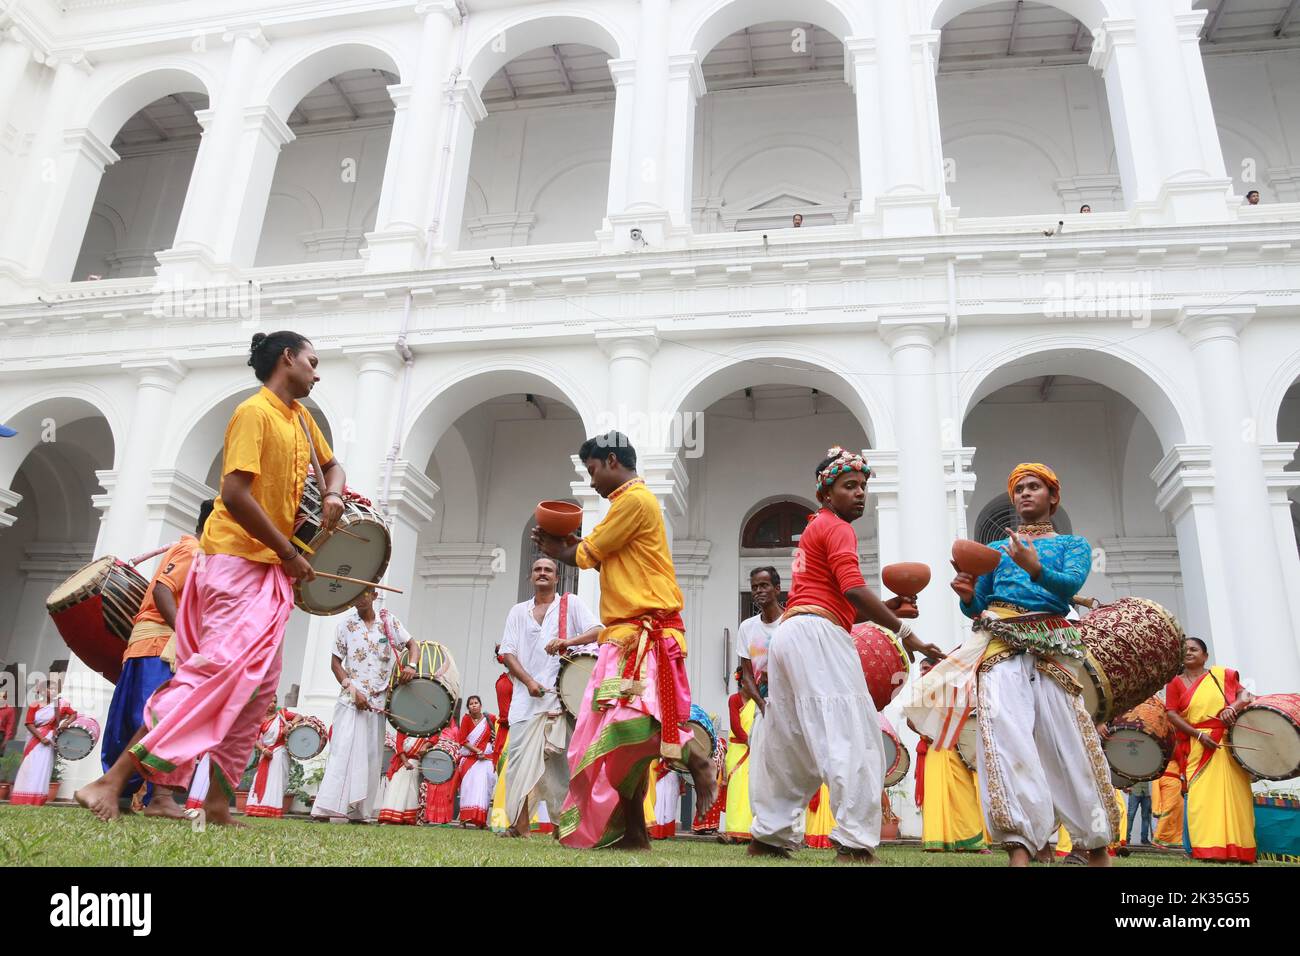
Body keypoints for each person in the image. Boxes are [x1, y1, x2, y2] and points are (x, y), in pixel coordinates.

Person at [76, 331, 345, 824]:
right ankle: (109, 781)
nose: (317, 371)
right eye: (312, 361)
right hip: (235, 564)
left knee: (260, 690)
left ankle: (218, 803)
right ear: (287, 359)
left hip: (269, 571)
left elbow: (334, 467)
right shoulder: (253, 413)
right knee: (210, 675)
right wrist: (287, 552)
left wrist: (333, 494)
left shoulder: (302, 419)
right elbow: (236, 493)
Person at [748, 447, 940, 863]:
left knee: (789, 738)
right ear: (826, 493)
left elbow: (836, 599)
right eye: (848, 486)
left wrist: (888, 606)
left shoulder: (815, 526)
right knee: (852, 734)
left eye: (864, 486)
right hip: (816, 634)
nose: (860, 493)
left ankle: (769, 834)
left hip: (792, 633)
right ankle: (854, 842)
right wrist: (907, 633)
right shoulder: (837, 527)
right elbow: (852, 588)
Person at [533, 431, 718, 850]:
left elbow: (587, 554)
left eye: (593, 470)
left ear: (613, 460)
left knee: (634, 722)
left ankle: (699, 760)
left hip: (643, 635)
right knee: (616, 743)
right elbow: (600, 557)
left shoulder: (634, 500)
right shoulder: (626, 504)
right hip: (625, 635)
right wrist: (557, 545)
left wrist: (556, 546)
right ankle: (633, 831)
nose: (592, 481)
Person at [937, 463, 1117, 867]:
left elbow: (1070, 587)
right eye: (1019, 489)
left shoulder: (1074, 544)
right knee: (1006, 743)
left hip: (1051, 644)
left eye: (1034, 487)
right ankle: (1020, 848)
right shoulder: (996, 552)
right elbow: (976, 607)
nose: (1025, 494)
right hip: (999, 642)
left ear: (1053, 497)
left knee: (1069, 743)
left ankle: (1096, 847)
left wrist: (1034, 566)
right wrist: (966, 595)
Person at [101, 500, 214, 818]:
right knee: (158, 717)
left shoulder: (191, 550)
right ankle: (159, 796)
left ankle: (123, 794)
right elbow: (164, 591)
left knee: (133, 719)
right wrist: (189, 637)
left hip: (145, 646)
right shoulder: (192, 550)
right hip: (162, 646)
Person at [498, 556, 601, 838]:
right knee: (518, 765)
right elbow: (508, 652)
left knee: (562, 768)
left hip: (560, 702)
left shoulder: (571, 605)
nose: (542, 573)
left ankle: (562, 827)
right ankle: (519, 826)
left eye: (548, 570)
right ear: (530, 577)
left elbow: (599, 632)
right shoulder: (518, 612)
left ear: (557, 578)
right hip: (525, 701)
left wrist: (568, 642)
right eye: (537, 569)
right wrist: (529, 682)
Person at [311, 589, 415, 823]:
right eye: (354, 594)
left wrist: (412, 666)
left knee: (371, 755)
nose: (358, 598)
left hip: (377, 702)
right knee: (342, 750)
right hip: (351, 700)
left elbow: (412, 644)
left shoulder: (389, 623)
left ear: (374, 595)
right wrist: (352, 689)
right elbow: (335, 663)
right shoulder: (345, 626)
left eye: (364, 594)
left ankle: (360, 812)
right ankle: (326, 808)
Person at [1164, 637, 1256, 863]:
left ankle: (1239, 850)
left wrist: (1232, 708)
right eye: (1184, 650)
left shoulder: (1220, 675)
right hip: (1199, 744)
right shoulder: (1174, 683)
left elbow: (1247, 696)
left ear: (1205, 656)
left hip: (1226, 744)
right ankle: (1208, 849)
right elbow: (1171, 714)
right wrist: (1199, 735)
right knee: (1201, 798)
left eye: (1194, 649)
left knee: (1235, 796)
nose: (1189, 652)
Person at [910, 660, 988, 853]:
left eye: (927, 668)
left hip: (955, 747)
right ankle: (936, 841)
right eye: (921, 669)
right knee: (937, 795)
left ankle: (970, 842)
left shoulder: (952, 688)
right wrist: (927, 733)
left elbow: (969, 713)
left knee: (965, 794)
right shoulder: (920, 691)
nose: (923, 672)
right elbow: (911, 720)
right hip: (934, 749)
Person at [11, 685, 76, 805]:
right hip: (35, 739)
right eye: (49, 688)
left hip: (50, 739)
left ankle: (37, 800)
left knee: (43, 768)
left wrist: (66, 722)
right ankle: (23, 798)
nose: (52, 691)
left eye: (54, 689)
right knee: (29, 767)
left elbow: (74, 714)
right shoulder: (35, 704)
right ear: (42, 690)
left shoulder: (61, 704)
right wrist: (41, 738)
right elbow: (29, 723)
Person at [244, 696, 299, 818]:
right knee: (260, 779)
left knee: (278, 780)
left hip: (281, 752)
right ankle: (257, 807)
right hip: (267, 753)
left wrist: (290, 724)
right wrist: (263, 750)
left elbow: (299, 716)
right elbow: (254, 738)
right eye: (270, 701)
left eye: (275, 702)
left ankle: (273, 809)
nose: (273, 704)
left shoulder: (281, 714)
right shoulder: (259, 719)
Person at [737, 566, 782, 712]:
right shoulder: (746, 627)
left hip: (791, 703)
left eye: (764, 585)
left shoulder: (791, 622)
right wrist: (762, 705)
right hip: (762, 705)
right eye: (754, 587)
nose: (758, 590)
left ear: (777, 589)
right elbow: (747, 675)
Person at [722, 678, 756, 843]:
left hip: (755, 751)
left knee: (751, 791)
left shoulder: (758, 700)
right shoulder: (734, 699)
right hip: (739, 750)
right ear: (743, 682)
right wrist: (749, 741)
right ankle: (733, 831)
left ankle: (750, 831)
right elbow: (735, 726)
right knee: (736, 792)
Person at [456, 695, 497, 828]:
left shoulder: (490, 719)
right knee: (468, 787)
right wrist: (476, 751)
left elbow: (494, 737)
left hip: (485, 759)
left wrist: (485, 751)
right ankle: (464, 819)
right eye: (471, 704)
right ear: (468, 707)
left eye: (476, 703)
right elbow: (462, 740)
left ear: (480, 705)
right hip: (470, 759)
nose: (474, 705)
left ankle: (481, 821)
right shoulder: (466, 719)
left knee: (484, 787)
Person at [378, 731, 431, 825]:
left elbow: (434, 738)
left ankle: (406, 818)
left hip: (414, 762)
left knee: (411, 789)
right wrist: (405, 761)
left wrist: (426, 745)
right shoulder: (402, 727)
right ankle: (391, 817)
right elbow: (399, 745)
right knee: (397, 788)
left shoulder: (425, 728)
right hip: (403, 762)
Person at [423, 718, 462, 825]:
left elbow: (458, 746)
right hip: (434, 762)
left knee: (445, 792)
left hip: (448, 766)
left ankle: (443, 818)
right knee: (431, 790)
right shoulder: (436, 730)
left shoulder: (455, 730)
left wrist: (451, 757)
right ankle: (428, 817)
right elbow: (430, 742)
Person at [647, 759, 681, 839]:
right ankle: (656, 832)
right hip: (658, 774)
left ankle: (668, 833)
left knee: (670, 805)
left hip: (672, 773)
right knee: (658, 804)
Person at [1127, 779, 1153, 846]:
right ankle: (1126, 838)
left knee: (1146, 817)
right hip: (1134, 790)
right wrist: (1125, 786)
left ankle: (1144, 839)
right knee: (1130, 815)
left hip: (1147, 792)